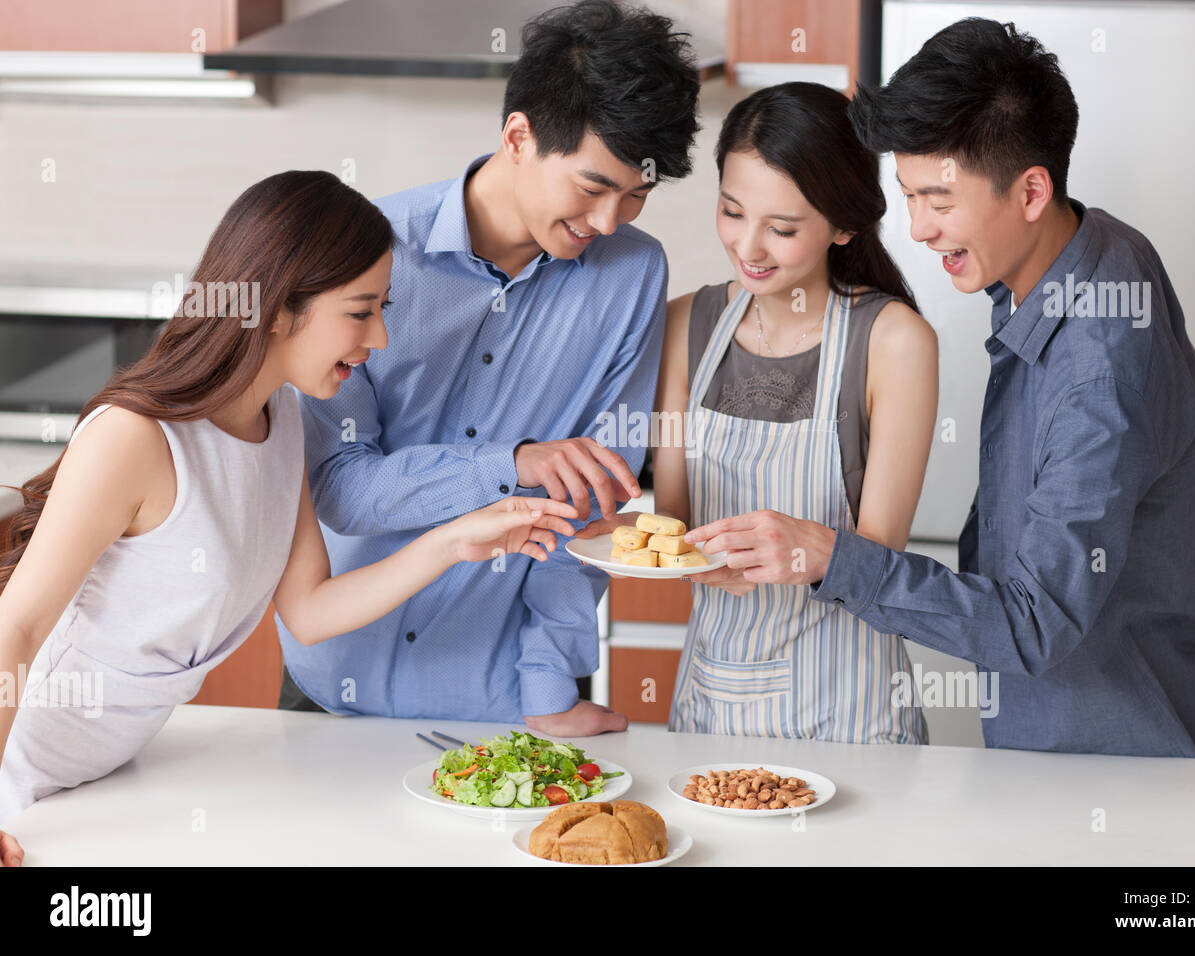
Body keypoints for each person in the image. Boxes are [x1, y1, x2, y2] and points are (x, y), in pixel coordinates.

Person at [0, 170, 578, 865]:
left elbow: (308, 608)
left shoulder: (284, 420)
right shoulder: (136, 438)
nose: (381, 337)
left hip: (102, 781)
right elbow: (18, 626)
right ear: (277, 309)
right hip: (19, 784)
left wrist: (458, 540)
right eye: (361, 310)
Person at [686, 18, 1195, 758]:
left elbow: (1036, 626)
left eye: (940, 199)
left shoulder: (1096, 362)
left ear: (1032, 190)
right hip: (1053, 735)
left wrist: (829, 557)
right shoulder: (1098, 256)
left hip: (1108, 763)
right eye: (908, 196)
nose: (919, 228)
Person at [272, 0, 700, 736]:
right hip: (331, 683)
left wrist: (545, 686)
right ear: (518, 136)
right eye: (594, 187)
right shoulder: (373, 254)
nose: (608, 223)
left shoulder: (633, 273)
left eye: (636, 196)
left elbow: (593, 507)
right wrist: (514, 464)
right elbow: (340, 487)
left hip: (505, 702)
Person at [582, 82, 938, 743]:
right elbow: (679, 524)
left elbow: (879, 565)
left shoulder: (893, 342)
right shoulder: (687, 326)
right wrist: (625, 531)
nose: (749, 247)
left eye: (781, 228)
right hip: (715, 699)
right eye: (731, 211)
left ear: (844, 225)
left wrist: (801, 549)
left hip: (850, 708)